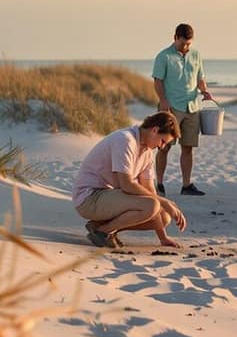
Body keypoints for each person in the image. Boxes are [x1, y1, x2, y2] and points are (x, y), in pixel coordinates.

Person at [72, 112, 188, 248]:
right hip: (89, 198)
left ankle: (102, 226)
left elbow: (149, 191)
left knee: (164, 217)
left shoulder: (147, 152)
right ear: (154, 130)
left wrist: (163, 238)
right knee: (153, 205)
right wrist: (164, 201)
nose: (162, 147)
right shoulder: (125, 140)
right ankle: (102, 231)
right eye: (163, 141)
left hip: (109, 197)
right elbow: (126, 184)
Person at [152, 23, 215, 196]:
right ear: (175, 38)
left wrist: (205, 91)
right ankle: (159, 184)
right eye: (183, 43)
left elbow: (200, 77)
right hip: (171, 107)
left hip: (191, 107)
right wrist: (163, 100)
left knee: (188, 147)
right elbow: (157, 81)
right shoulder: (163, 56)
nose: (186, 47)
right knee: (164, 147)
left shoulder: (196, 55)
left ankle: (186, 185)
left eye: (189, 43)